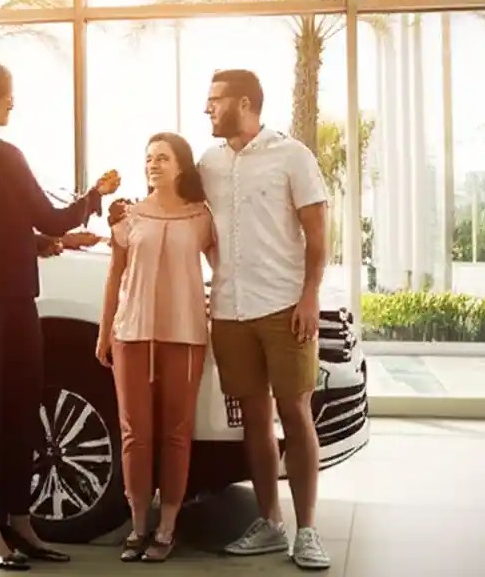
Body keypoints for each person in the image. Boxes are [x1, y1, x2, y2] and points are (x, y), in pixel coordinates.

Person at [109, 69, 330, 570]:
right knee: (254, 417)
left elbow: (318, 232)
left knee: (295, 414)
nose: (207, 109)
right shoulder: (208, 163)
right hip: (229, 309)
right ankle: (271, 523)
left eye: (216, 101)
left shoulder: (292, 156)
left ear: (246, 103)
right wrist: (119, 214)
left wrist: (310, 295)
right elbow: (168, 195)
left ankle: (308, 530)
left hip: (283, 305)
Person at [0, 57, 120, 571]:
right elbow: (48, 213)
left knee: (10, 410)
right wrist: (95, 197)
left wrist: (43, 244)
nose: (12, 101)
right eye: (7, 92)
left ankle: (18, 522)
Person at [95, 133, 215, 563]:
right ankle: (139, 524)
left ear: (181, 165)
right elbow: (115, 276)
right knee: (135, 435)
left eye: (163, 158)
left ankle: (167, 527)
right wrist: (104, 330)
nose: (154, 164)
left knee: (176, 434)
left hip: (185, 336)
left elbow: (223, 270)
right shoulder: (129, 217)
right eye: (149, 158)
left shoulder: (202, 217)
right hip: (132, 334)